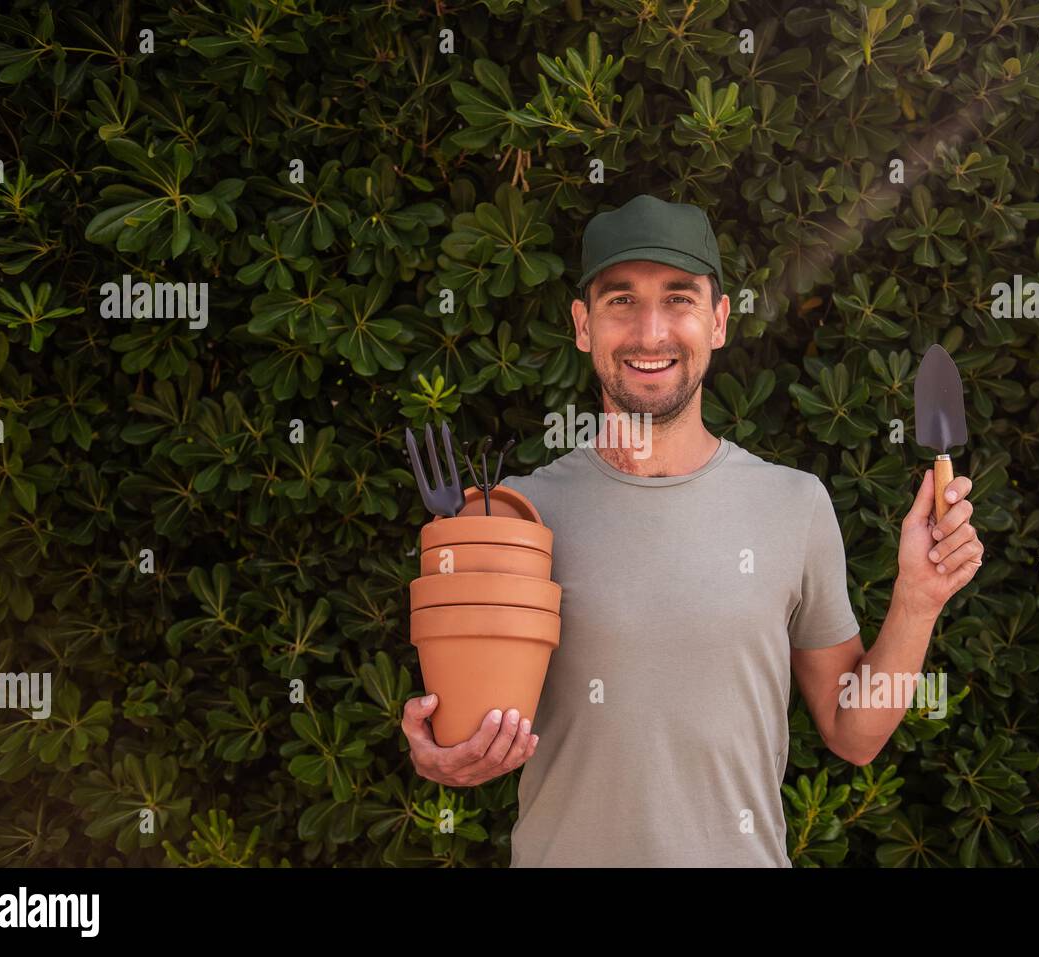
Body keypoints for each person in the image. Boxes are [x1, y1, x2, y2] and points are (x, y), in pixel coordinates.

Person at [401, 193, 984, 866]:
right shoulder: (515, 517)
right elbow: (466, 714)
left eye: (679, 298)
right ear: (583, 325)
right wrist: (441, 752)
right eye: (621, 300)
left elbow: (854, 734)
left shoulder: (793, 504)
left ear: (719, 321)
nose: (651, 331)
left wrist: (919, 597)